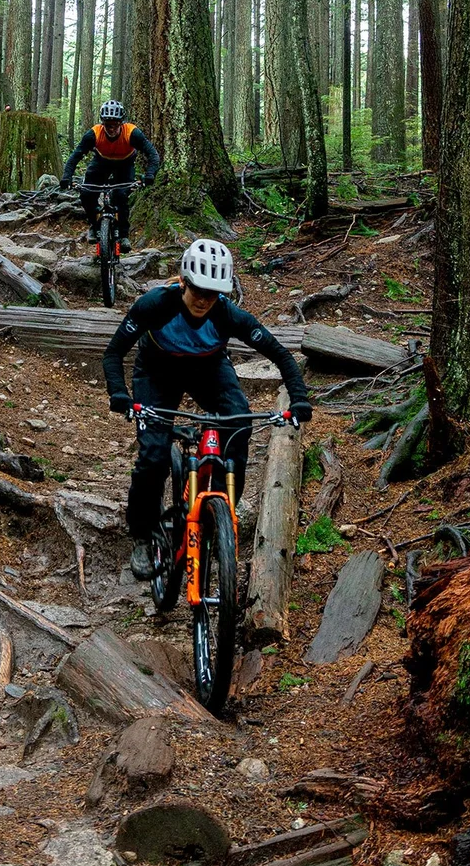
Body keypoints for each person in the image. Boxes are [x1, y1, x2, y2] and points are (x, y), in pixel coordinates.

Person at [103, 238, 313, 579]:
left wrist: (299, 398)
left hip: (209, 369)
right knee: (153, 456)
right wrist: (120, 394)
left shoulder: (227, 314)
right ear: (184, 282)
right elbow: (114, 353)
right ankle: (143, 535)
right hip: (157, 371)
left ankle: (219, 518)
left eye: (213, 294)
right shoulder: (155, 304)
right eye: (198, 290)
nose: (203, 300)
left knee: (239, 428)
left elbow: (281, 355)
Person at [59, 101, 160, 253]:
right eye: (107, 125)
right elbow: (76, 155)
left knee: (121, 196)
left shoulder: (132, 133)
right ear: (103, 123)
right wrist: (67, 176)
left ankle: (123, 235)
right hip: (101, 162)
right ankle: (95, 224)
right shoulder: (94, 134)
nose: (111, 128)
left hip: (125, 164)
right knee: (86, 194)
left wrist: (150, 174)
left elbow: (152, 154)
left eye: (115, 124)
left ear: (121, 123)